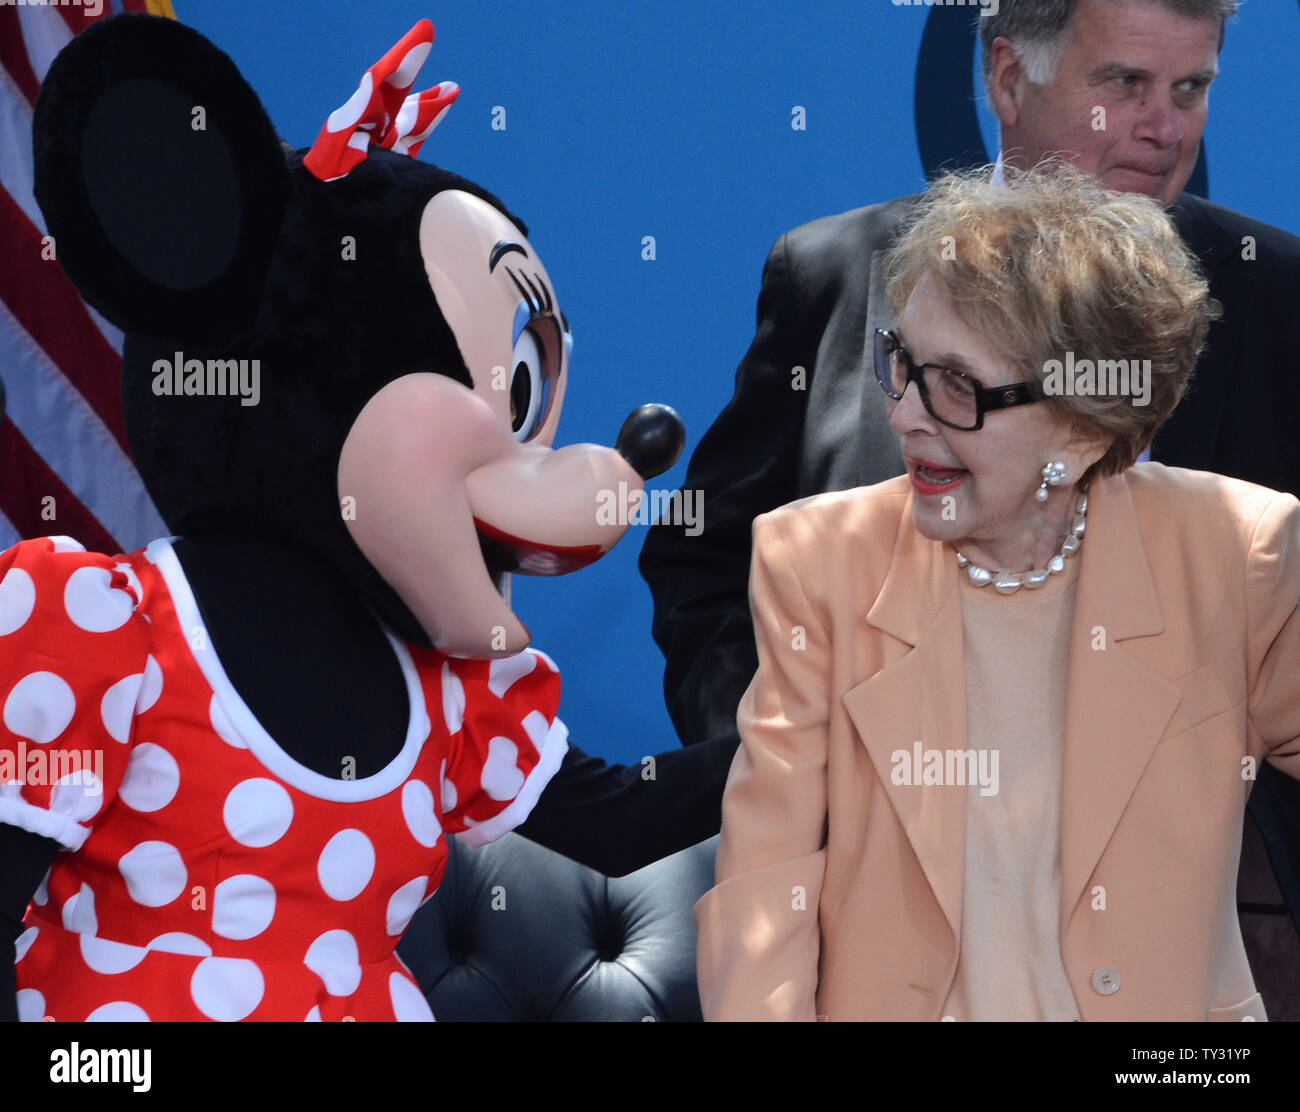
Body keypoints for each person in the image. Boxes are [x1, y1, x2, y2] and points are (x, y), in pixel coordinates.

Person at [639, 0, 1300, 1015]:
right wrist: (796, 758)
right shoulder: (837, 276)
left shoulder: (1275, 297)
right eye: (1123, 83)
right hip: (889, 923)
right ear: (1006, 79)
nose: (1162, 126)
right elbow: (706, 557)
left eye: (1190, 89)